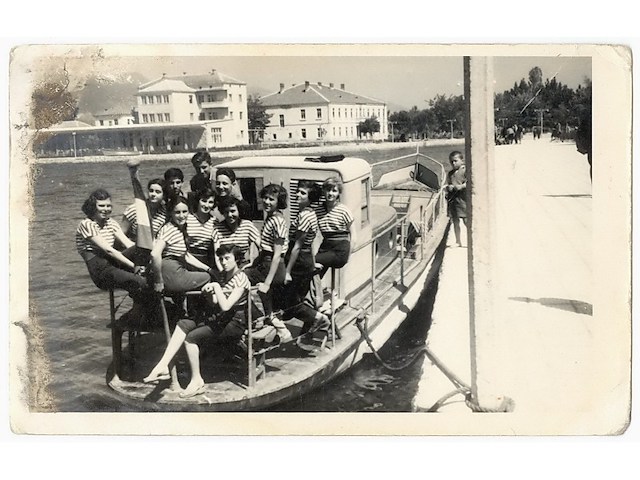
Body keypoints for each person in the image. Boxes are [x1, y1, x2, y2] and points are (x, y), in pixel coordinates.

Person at [143, 245, 251, 398]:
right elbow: (216, 302)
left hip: (235, 322)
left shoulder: (241, 278)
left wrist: (214, 286)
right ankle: (163, 365)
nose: (224, 262)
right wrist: (208, 294)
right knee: (186, 323)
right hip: (223, 318)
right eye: (221, 259)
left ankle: (197, 381)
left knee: (191, 338)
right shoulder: (223, 276)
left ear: (237, 260)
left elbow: (226, 306)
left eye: (228, 258)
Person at [76, 189, 148, 298]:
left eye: (108, 206)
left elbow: (128, 244)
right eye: (101, 206)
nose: (106, 209)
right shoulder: (87, 224)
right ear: (93, 207)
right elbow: (109, 250)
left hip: (113, 263)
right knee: (141, 282)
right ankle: (139, 311)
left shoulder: (111, 222)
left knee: (140, 248)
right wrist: (134, 266)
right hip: (101, 272)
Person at [282, 181, 330, 345]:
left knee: (290, 302)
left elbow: (297, 246)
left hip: (298, 261)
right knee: (296, 300)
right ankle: (309, 324)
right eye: (298, 192)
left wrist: (287, 270)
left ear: (310, 198)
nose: (297, 195)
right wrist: (312, 263)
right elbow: (310, 243)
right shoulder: (310, 214)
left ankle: (318, 318)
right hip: (305, 260)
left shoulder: (304, 216)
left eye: (302, 193)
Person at [244, 184, 292, 342]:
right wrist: (253, 264)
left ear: (279, 201)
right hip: (265, 262)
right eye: (265, 198)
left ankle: (256, 320)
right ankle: (281, 331)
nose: (267, 202)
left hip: (272, 266)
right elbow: (265, 249)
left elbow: (277, 254)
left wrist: (267, 283)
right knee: (265, 300)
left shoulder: (277, 221)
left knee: (238, 280)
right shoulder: (271, 217)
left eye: (271, 199)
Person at [150, 196, 212, 295]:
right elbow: (154, 254)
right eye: (177, 212)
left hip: (173, 271)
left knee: (207, 274)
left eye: (184, 212)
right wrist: (158, 281)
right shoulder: (169, 229)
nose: (182, 216)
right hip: (170, 272)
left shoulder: (179, 229)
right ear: (171, 213)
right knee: (207, 278)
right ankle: (201, 309)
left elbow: (187, 256)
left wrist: (209, 269)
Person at [315, 176, 356, 276]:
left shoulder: (344, 211)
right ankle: (315, 291)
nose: (330, 193)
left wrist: (348, 257)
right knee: (312, 274)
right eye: (328, 190)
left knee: (310, 262)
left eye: (334, 191)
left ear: (338, 193)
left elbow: (354, 236)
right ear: (324, 191)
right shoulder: (318, 211)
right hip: (326, 248)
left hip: (340, 250)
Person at [213, 196, 260, 268]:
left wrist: (253, 262)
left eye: (232, 211)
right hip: (225, 266)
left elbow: (261, 246)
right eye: (226, 212)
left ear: (239, 211)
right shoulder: (218, 228)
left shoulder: (247, 225)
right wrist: (222, 272)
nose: (229, 215)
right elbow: (217, 256)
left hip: (243, 265)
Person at [186, 188, 217, 269]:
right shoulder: (188, 218)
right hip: (188, 258)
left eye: (210, 202)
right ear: (198, 201)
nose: (206, 205)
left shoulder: (215, 222)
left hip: (206, 260)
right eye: (203, 201)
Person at [445, 151, 467, 247]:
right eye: (451, 162)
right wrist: (448, 187)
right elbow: (448, 183)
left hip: (463, 200)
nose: (453, 163)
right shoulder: (450, 173)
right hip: (453, 200)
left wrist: (461, 186)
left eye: (455, 161)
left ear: (461, 160)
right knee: (455, 221)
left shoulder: (465, 171)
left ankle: (473, 240)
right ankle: (458, 241)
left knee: (466, 220)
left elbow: (470, 182)